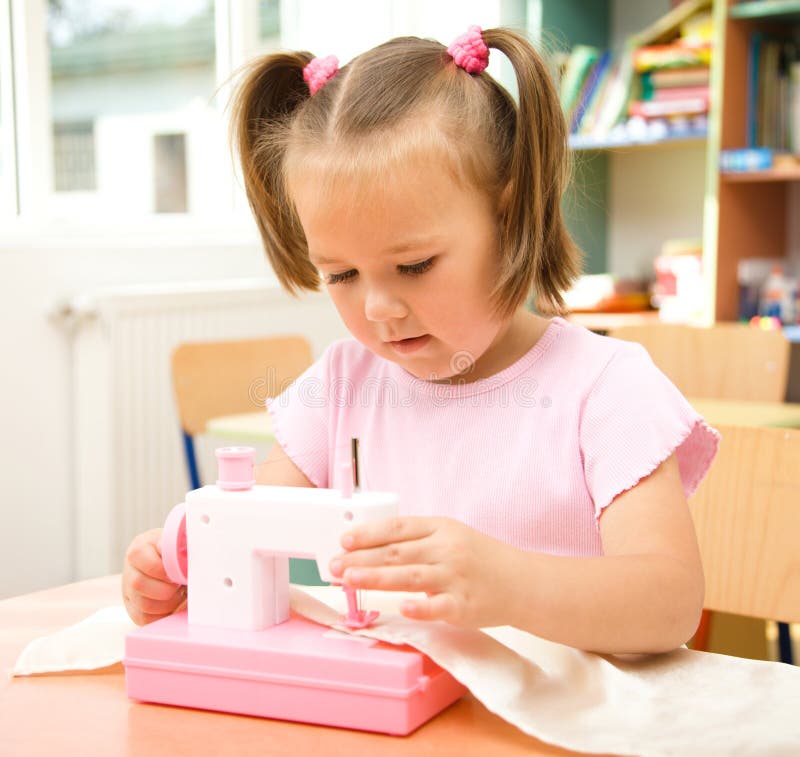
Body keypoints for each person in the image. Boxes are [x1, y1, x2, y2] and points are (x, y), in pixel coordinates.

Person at [122, 26, 719, 654]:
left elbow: (671, 604)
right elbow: (247, 535)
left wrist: (512, 586)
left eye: (414, 267)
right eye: (342, 275)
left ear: (510, 216)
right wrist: (189, 565)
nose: (379, 307)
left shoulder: (606, 387)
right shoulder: (342, 385)